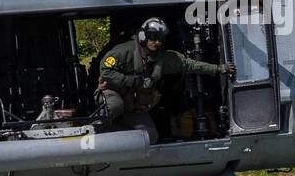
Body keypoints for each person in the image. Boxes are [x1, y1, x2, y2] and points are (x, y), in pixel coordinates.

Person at [98, 17, 234, 143]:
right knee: (115, 106)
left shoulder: (162, 58)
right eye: (153, 37)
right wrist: (131, 81)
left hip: (133, 105)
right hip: (112, 93)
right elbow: (106, 70)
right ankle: (94, 129)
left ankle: (114, 136)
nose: (157, 42)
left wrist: (218, 68)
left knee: (150, 136)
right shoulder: (124, 51)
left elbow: (190, 65)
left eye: (161, 39)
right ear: (143, 36)